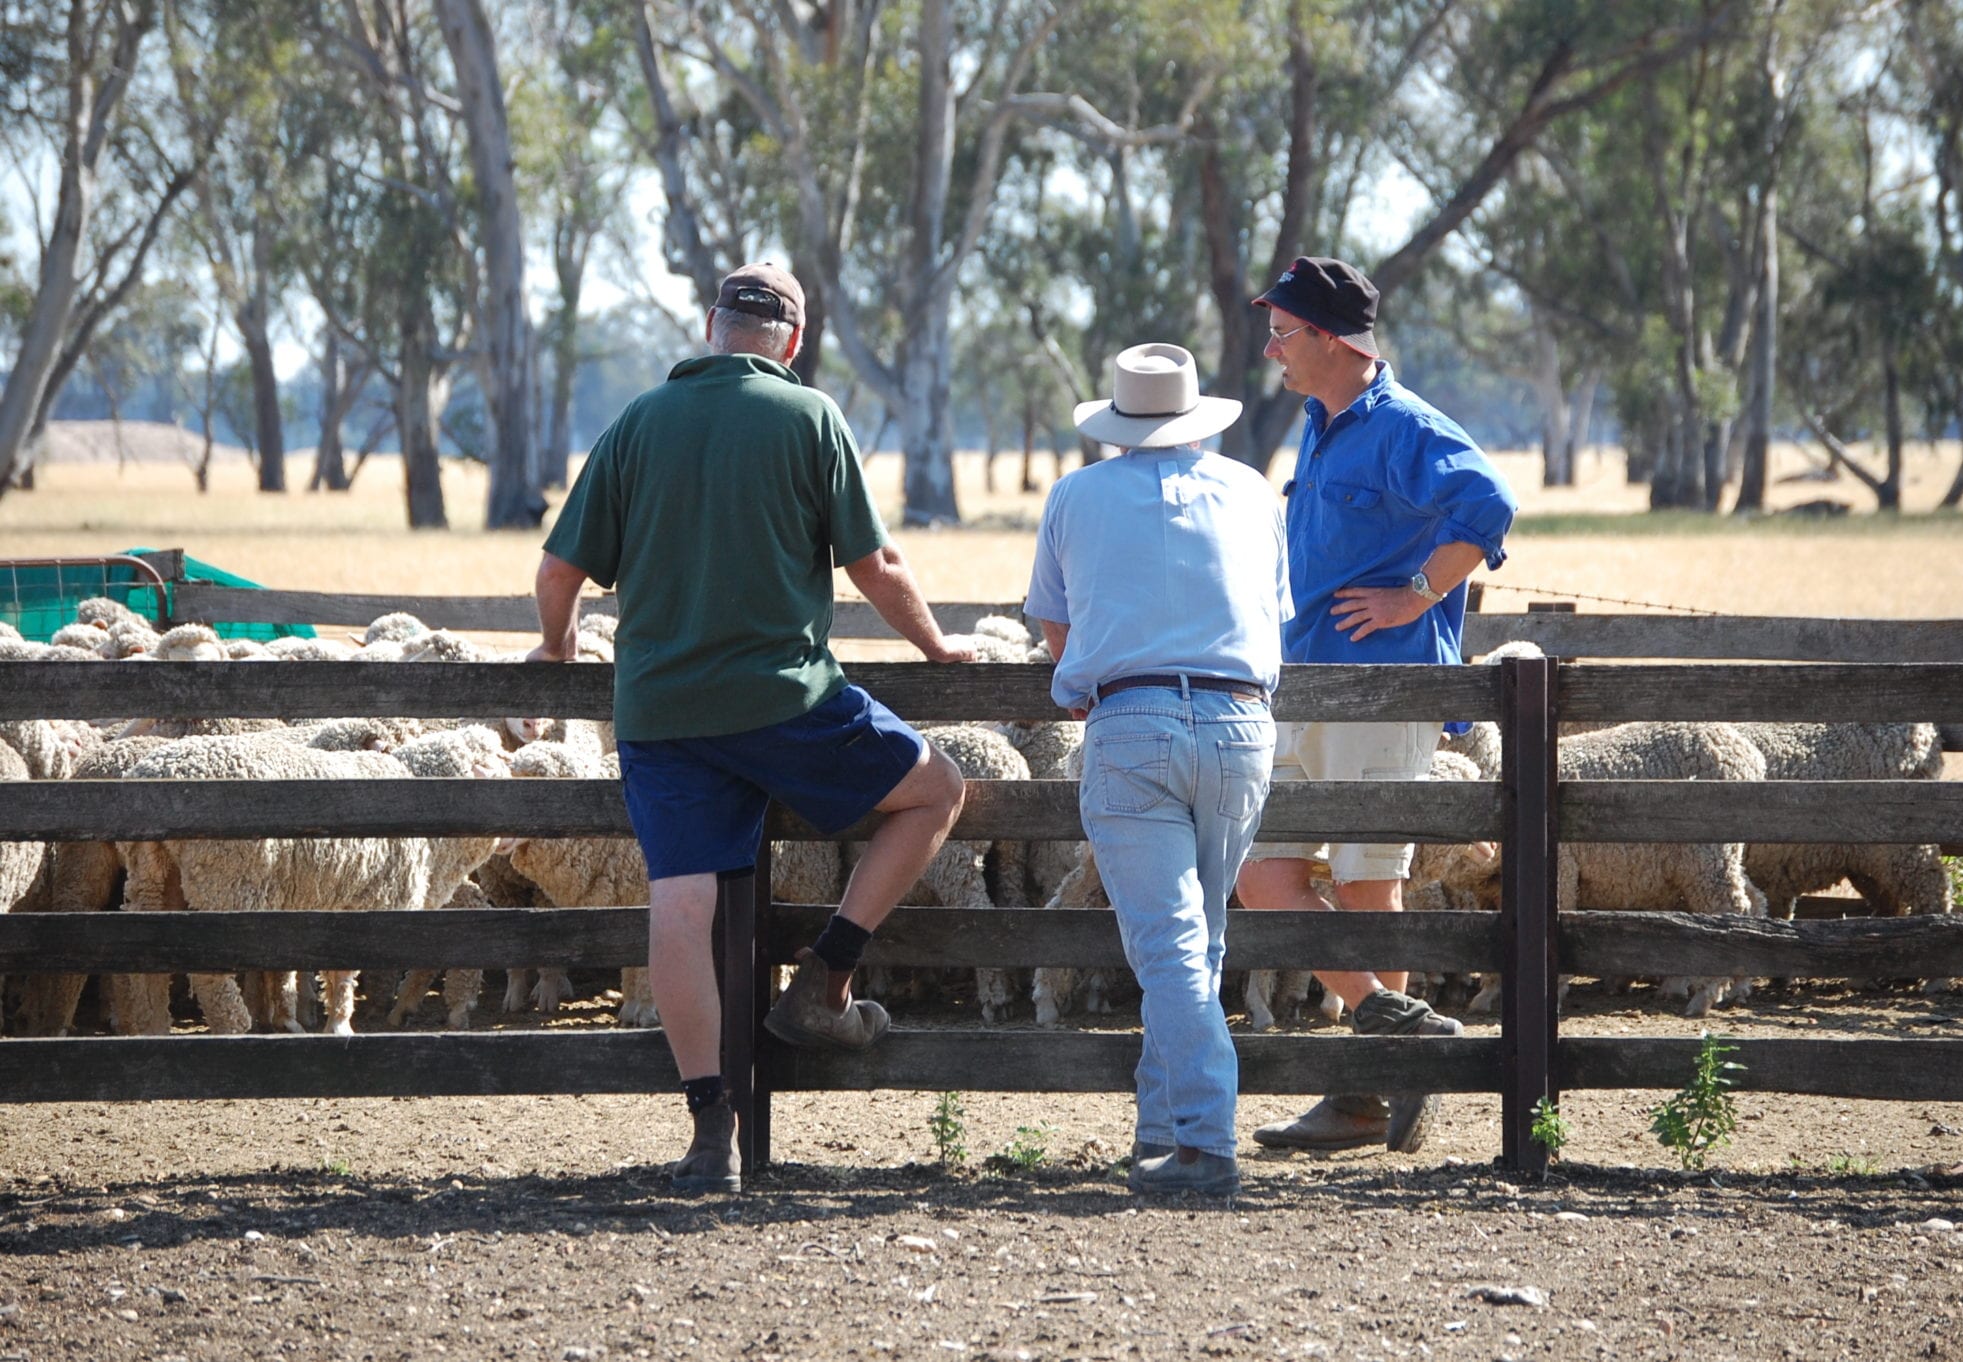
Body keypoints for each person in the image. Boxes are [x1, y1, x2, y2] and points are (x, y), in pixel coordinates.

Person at [529, 262, 975, 1196]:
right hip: (785, 704)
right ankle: (825, 979)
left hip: (662, 715)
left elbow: (560, 570)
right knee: (936, 789)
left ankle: (709, 1136)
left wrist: (558, 651)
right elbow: (875, 565)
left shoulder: (640, 421)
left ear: (711, 324)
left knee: (682, 912)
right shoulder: (810, 418)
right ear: (794, 342)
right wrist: (937, 648)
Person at [1236, 256, 1516, 1156]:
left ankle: (1362, 1099)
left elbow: (1490, 504)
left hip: (1383, 688)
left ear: (1330, 338)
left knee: (1366, 883)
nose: (1271, 348)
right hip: (1308, 682)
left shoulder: (1405, 426)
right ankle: (1400, 1030)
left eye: (1283, 332)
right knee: (1263, 873)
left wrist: (1417, 597)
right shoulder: (1320, 423)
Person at [1025, 342, 1289, 1197]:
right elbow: (1270, 611)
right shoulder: (1251, 491)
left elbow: (1056, 631)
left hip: (1133, 723)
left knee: (1170, 947)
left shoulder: (1075, 496)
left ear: (1119, 421)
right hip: (1241, 721)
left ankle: (1207, 1145)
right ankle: (1161, 1133)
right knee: (1195, 943)